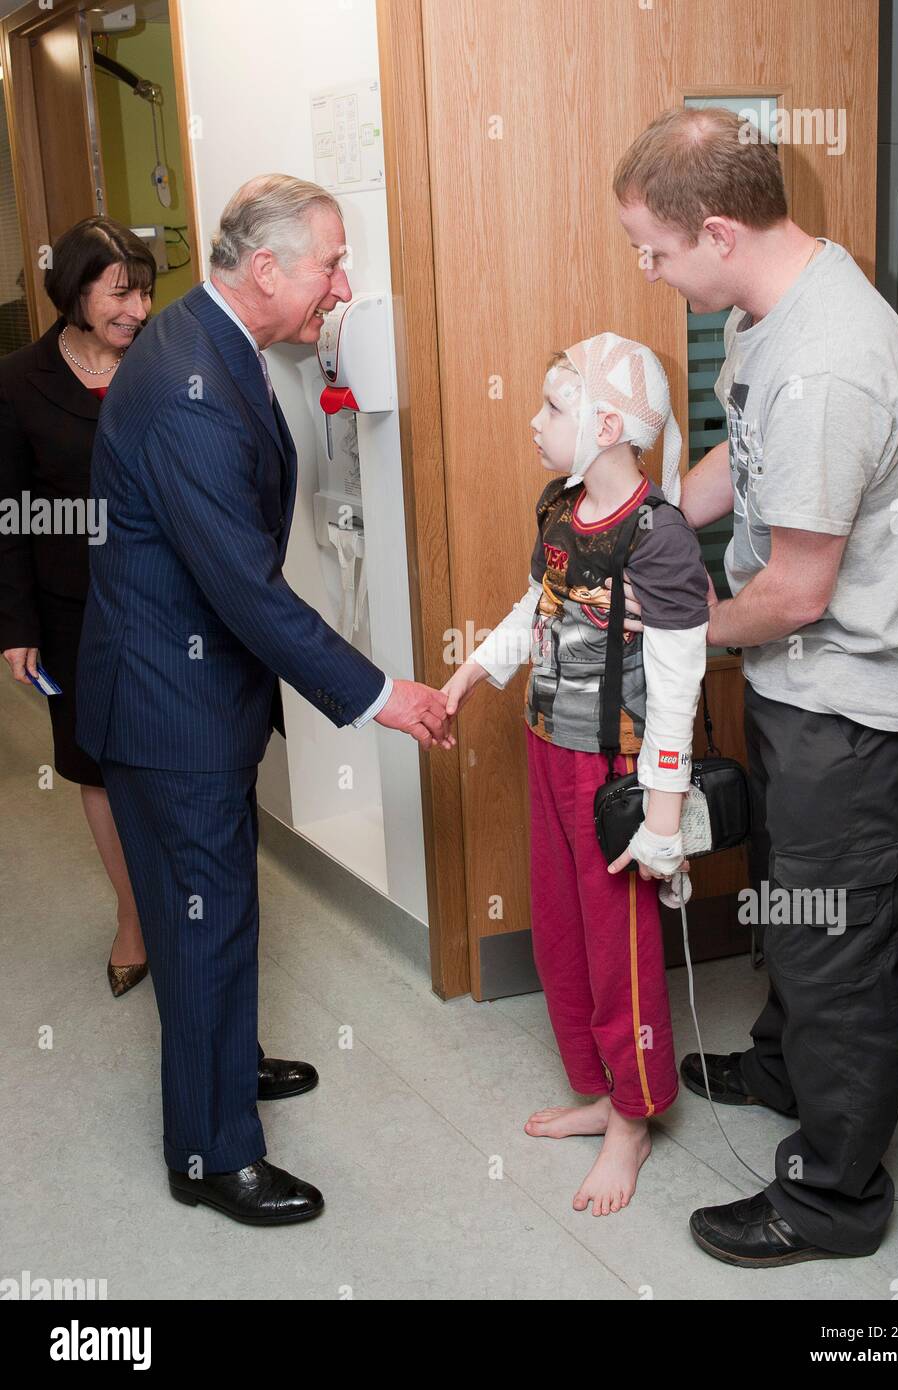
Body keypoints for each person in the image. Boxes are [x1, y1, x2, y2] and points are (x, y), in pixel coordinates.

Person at [612, 106, 898, 1265]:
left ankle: (831, 1198)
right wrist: (647, 522)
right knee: (790, 900)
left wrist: (673, 627)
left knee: (834, 950)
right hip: (800, 684)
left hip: (851, 701)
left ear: (717, 232)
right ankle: (783, 1064)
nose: (647, 270)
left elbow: (796, 593)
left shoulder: (828, 363)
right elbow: (746, 452)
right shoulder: (774, 303)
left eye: (654, 251)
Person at [76, 174, 454, 1226]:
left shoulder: (213, 341)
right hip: (171, 707)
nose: (341, 286)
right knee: (202, 921)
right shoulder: (188, 385)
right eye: (330, 264)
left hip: (185, 690)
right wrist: (377, 693)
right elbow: (243, 587)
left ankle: (225, 1063)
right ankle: (211, 1154)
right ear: (266, 269)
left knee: (214, 909)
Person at [444, 332, 710, 1216]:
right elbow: (537, 607)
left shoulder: (658, 538)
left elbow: (676, 689)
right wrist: (470, 674)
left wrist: (662, 821)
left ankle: (634, 1118)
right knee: (560, 933)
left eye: (554, 407)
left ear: (604, 426)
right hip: (546, 746)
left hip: (614, 770)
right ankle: (600, 1092)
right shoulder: (560, 507)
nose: (534, 421)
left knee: (619, 949)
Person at [0, 217, 157, 996]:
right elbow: (8, 512)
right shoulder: (16, 381)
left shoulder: (164, 365)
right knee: (98, 766)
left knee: (169, 756)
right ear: (75, 290)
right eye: (120, 293)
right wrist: (16, 625)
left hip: (167, 602)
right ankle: (133, 916)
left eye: (145, 292)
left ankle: (185, 908)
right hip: (74, 610)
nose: (138, 310)